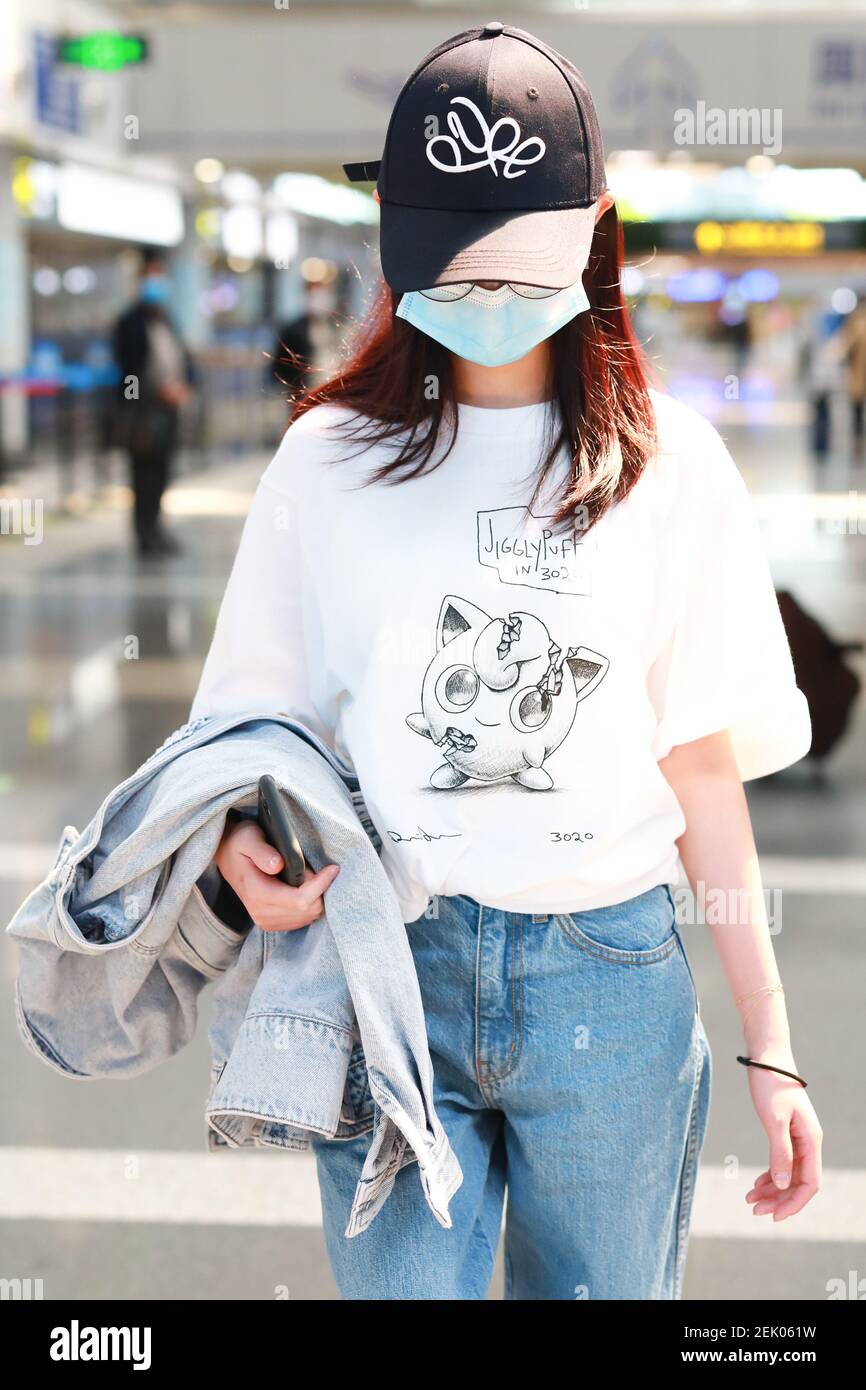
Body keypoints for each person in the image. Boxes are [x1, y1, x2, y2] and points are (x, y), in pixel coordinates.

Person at [191, 23, 822, 1300]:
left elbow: (699, 766)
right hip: (388, 964)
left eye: (517, 265)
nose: (483, 303)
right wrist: (230, 847)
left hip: (610, 974)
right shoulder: (325, 461)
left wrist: (771, 1042)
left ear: (594, 225)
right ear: (392, 242)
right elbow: (253, 727)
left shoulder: (668, 463)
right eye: (451, 265)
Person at [112, 249, 194, 556]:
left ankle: (157, 527)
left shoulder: (167, 319)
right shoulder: (130, 322)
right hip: (142, 413)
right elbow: (128, 372)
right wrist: (141, 399)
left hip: (168, 411)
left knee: (162, 472)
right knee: (143, 475)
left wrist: (185, 386)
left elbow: (183, 359)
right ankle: (144, 533)